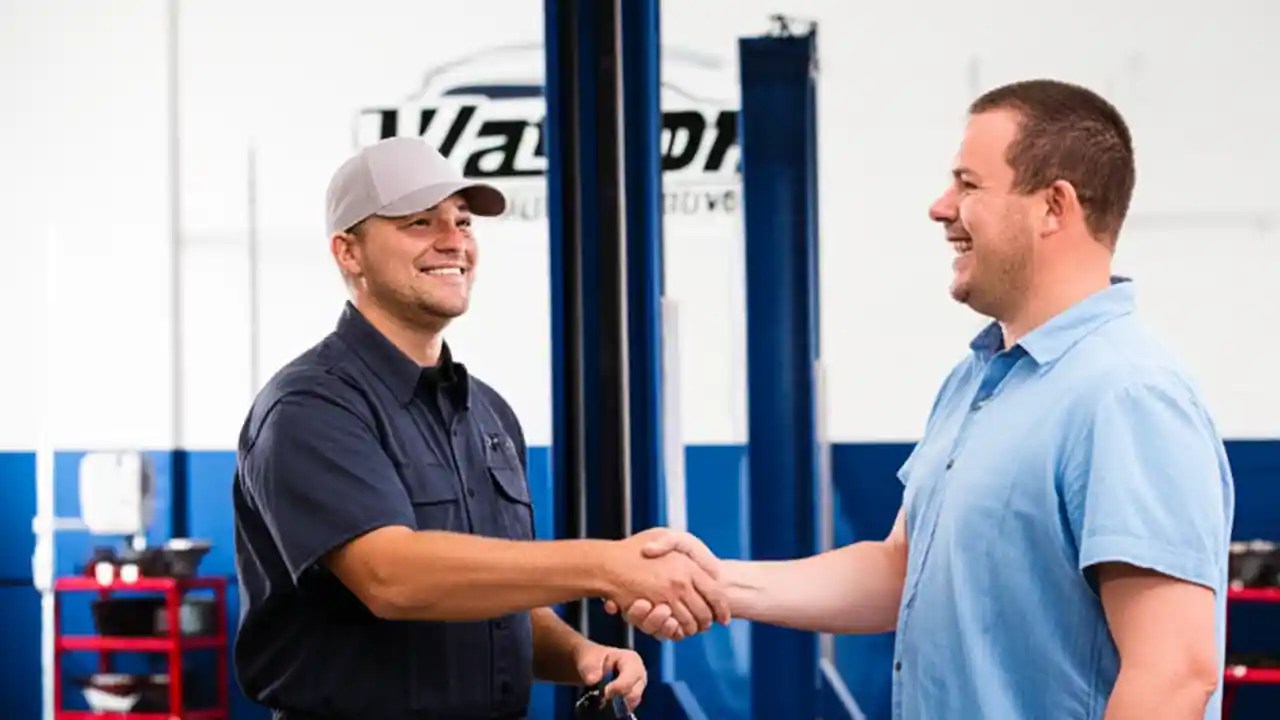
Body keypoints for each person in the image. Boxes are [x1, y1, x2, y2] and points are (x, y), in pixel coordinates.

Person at [613, 79, 1236, 720]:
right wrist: (713, 581)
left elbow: (1174, 673)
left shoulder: (1127, 395)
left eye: (969, 184)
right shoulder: (978, 380)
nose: (941, 208)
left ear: (1054, 206)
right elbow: (901, 572)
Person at [231, 135, 729, 720]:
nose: (453, 241)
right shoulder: (311, 409)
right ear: (349, 252)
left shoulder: (487, 414)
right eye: (419, 222)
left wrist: (580, 655)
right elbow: (391, 576)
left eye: (463, 222)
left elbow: (498, 598)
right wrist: (606, 566)